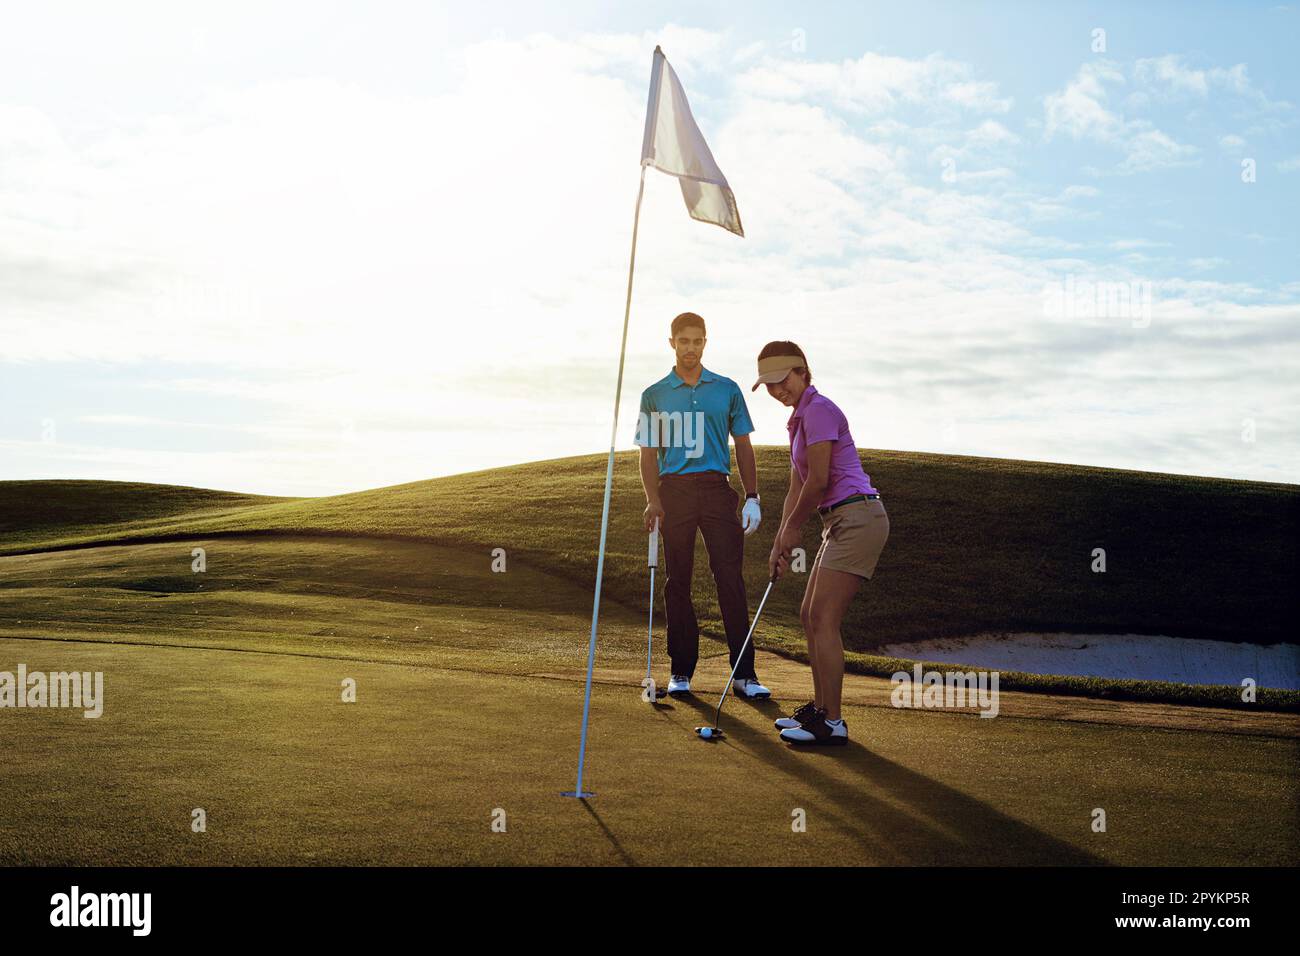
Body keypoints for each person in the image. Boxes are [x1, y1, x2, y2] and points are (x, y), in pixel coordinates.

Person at [752, 341, 889, 745]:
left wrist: (795, 530)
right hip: (841, 521)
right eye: (770, 385)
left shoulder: (821, 410)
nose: (778, 391)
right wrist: (781, 535)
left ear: (802, 372)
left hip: (859, 517)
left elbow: (820, 480)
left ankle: (832, 721)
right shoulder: (799, 420)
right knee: (809, 614)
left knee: (824, 619)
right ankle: (819, 710)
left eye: (782, 380)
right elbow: (798, 483)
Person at [634, 312, 770, 699]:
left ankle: (745, 674)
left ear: (705, 343)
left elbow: (743, 445)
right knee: (678, 580)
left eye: (697, 341)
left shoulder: (726, 389)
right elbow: (648, 454)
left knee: (730, 578)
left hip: (716, 489)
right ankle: (681, 671)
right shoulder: (655, 393)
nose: (690, 348)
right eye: (683, 341)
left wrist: (753, 496)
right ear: (672, 342)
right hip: (673, 492)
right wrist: (652, 500)